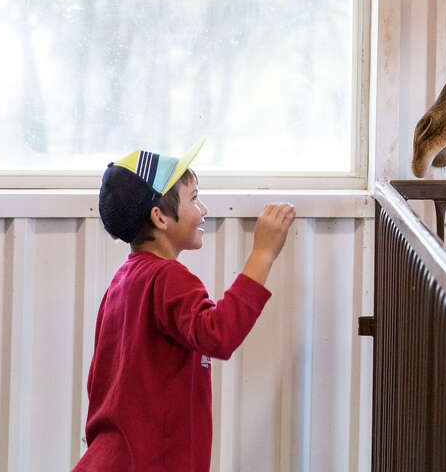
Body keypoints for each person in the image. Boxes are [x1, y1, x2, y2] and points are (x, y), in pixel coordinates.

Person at [74, 140, 295, 472]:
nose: (202, 208)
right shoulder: (168, 279)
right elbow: (219, 333)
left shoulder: (122, 282)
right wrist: (262, 253)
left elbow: (99, 382)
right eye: (193, 198)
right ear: (160, 217)